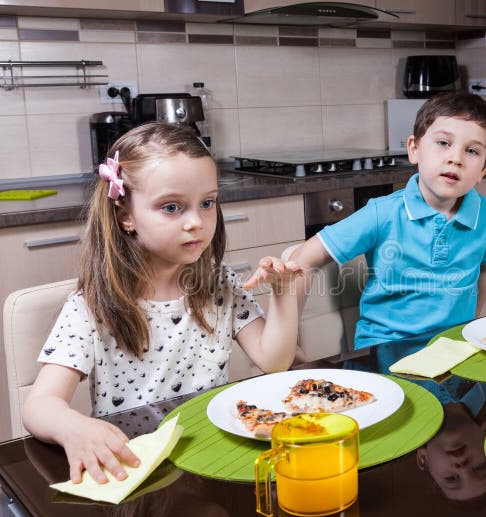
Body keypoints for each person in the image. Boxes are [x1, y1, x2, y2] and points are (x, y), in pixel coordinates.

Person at [22, 122, 303, 485]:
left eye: (207, 203)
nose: (196, 222)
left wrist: (283, 293)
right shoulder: (93, 306)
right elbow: (39, 406)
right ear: (126, 216)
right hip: (139, 472)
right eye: (172, 207)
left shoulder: (218, 285)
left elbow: (274, 360)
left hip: (213, 463)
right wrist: (73, 427)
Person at [261, 91, 486, 349]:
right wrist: (288, 344)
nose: (456, 158)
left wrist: (469, 327)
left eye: (471, 151)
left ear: (484, 170)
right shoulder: (382, 213)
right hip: (385, 348)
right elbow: (303, 259)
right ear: (414, 149)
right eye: (444, 143)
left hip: (452, 348)